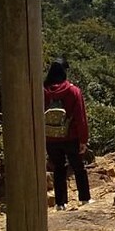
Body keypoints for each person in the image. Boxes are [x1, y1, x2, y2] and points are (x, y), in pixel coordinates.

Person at [43, 57, 91, 210]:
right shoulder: (73, 91)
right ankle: (84, 198)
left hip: (50, 137)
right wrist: (83, 140)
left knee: (58, 168)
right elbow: (80, 117)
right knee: (78, 167)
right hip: (71, 137)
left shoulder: (42, 91)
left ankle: (60, 203)